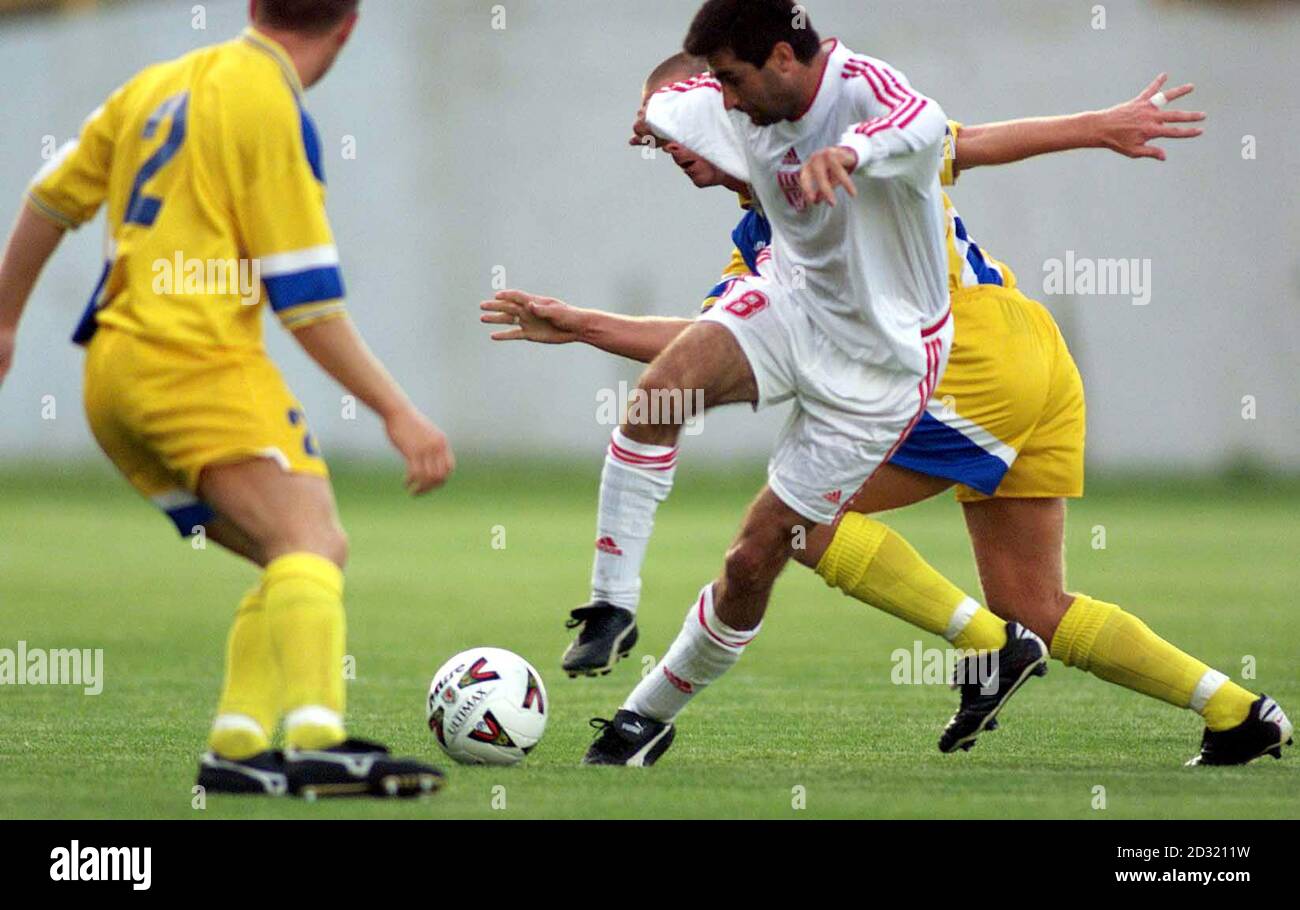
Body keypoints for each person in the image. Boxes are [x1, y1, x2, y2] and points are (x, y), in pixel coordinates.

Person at [484, 48, 1293, 767]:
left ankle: (987, 648)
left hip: (966, 368)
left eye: (687, 119)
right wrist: (583, 323)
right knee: (1037, 604)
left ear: (728, 100)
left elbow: (957, 145)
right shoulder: (764, 229)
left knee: (797, 526)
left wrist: (1094, 124)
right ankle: (1237, 712)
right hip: (1030, 355)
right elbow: (710, 343)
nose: (671, 150)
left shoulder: (826, 149)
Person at [0, 0, 455, 798]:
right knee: (310, 542)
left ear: (251, 7)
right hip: (194, 361)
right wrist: (397, 409)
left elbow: (49, 197)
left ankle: (238, 748)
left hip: (111, 374)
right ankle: (320, 741)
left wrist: (5, 320)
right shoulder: (271, 105)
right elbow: (306, 299)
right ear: (348, 26)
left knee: (300, 552)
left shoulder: (157, 84)